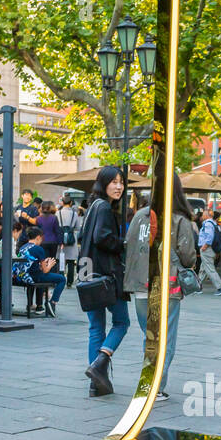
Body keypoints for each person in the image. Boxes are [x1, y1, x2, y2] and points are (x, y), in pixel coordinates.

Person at [126, 175, 197, 400]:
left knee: (149, 337)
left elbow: (129, 247)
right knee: (164, 339)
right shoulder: (179, 221)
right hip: (167, 286)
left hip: (140, 285)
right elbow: (187, 257)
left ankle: (147, 382)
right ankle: (155, 387)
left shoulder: (140, 216)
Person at [81, 166, 129, 396]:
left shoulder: (93, 207)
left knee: (96, 328)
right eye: (114, 182)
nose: (119, 186)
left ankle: (96, 383)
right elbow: (102, 238)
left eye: (121, 182)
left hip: (88, 274)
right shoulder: (103, 208)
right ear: (104, 183)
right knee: (122, 322)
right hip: (105, 275)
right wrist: (122, 243)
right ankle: (101, 363)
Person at [16, 224, 65, 317]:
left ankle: (31, 305)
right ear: (38, 237)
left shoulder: (23, 248)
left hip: (23, 276)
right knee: (62, 279)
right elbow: (45, 270)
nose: (42, 241)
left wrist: (43, 263)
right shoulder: (39, 249)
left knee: (41, 277)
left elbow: (30, 263)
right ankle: (53, 302)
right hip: (34, 277)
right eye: (41, 239)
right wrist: (50, 264)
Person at [197, 205, 221, 296]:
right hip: (212, 250)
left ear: (207, 215)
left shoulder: (207, 224)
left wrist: (204, 246)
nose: (202, 216)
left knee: (210, 269)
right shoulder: (215, 224)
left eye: (203, 215)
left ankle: (220, 287)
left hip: (207, 249)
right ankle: (197, 286)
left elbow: (209, 237)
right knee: (204, 269)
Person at [56, 194, 81, 295]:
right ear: (71, 203)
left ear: (62, 202)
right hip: (71, 238)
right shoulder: (74, 214)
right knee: (71, 261)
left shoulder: (58, 213)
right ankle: (69, 282)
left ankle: (60, 279)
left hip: (60, 237)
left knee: (60, 260)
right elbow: (77, 227)